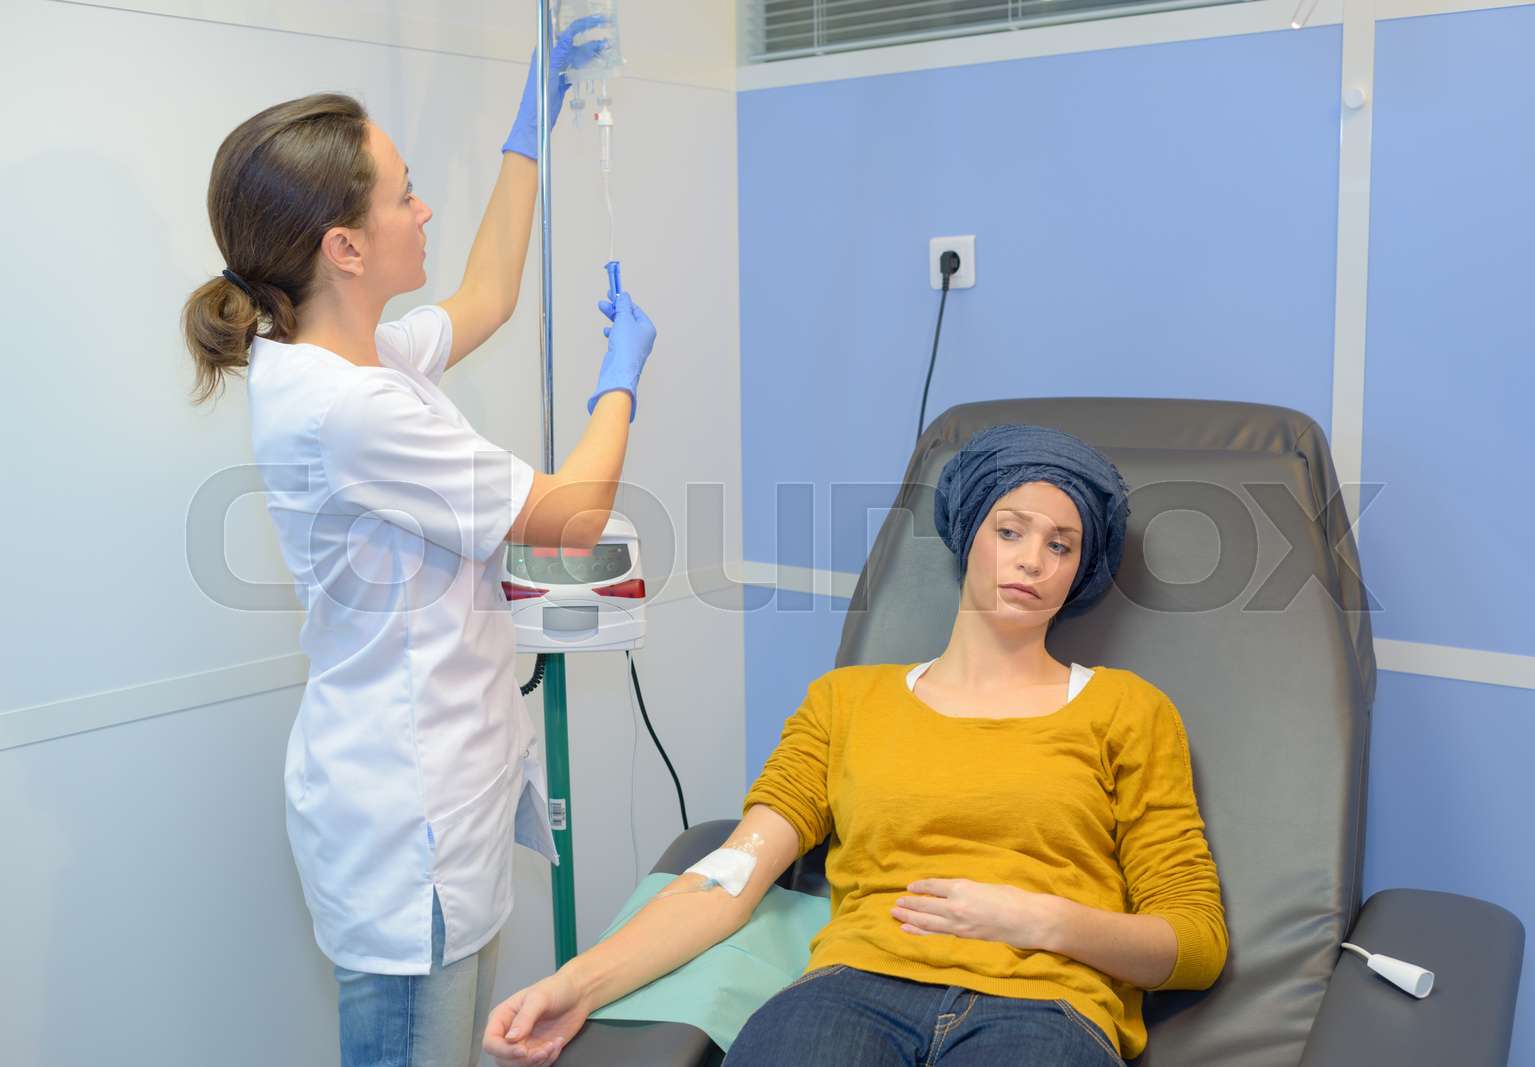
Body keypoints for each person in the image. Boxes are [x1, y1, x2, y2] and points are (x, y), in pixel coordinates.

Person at [178, 17, 657, 1067]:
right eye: (403, 192)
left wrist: (533, 127)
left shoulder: (360, 353)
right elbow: (575, 514)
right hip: (405, 831)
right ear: (344, 247)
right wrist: (622, 378)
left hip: (443, 797)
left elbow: (486, 294)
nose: (422, 206)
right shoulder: (349, 409)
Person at [482, 424, 1227, 1067]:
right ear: (970, 536)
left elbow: (1193, 941)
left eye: (1061, 544)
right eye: (1011, 530)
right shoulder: (846, 703)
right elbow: (730, 877)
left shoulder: (1128, 710)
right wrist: (575, 983)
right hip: (856, 989)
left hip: (1047, 1005)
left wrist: (1035, 919)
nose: (1033, 559)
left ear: (1077, 571)